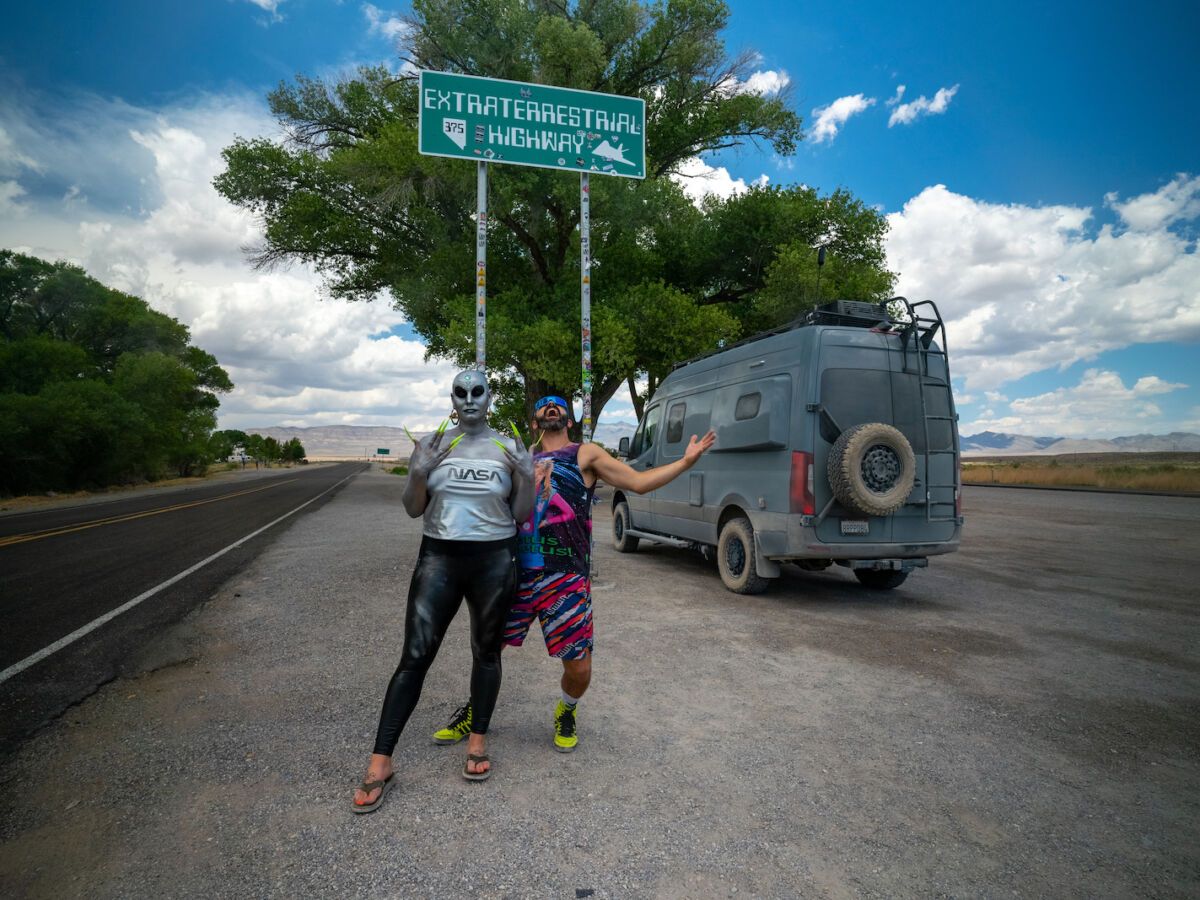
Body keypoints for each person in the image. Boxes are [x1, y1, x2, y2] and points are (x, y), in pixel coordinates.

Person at [433, 394, 715, 752]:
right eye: (544, 405)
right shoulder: (516, 457)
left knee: (580, 669)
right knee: (487, 651)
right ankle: (476, 711)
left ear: (568, 420)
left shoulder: (587, 454)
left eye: (559, 405)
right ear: (534, 421)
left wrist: (686, 462)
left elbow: (639, 483)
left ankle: (566, 709)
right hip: (514, 573)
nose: (552, 406)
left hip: (566, 577)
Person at [352, 369, 534, 813]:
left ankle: (477, 741)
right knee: (414, 657)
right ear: (452, 397)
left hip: (494, 560)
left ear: (489, 398)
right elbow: (414, 509)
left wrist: (527, 477)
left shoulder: (508, 448)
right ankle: (380, 764)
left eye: (478, 392)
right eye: (461, 392)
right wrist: (417, 472)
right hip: (439, 559)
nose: (470, 399)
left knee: (486, 652)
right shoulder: (434, 446)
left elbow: (522, 514)